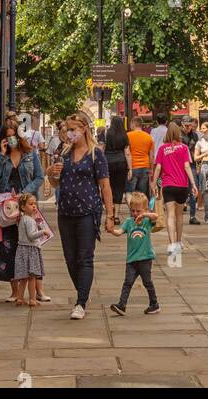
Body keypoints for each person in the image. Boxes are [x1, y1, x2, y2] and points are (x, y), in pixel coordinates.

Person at [48, 110, 119, 318]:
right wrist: (52, 175)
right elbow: (55, 183)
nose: (69, 134)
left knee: (85, 257)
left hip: (88, 211)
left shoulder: (96, 154)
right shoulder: (64, 153)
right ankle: (83, 291)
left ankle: (80, 302)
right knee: (70, 258)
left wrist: (110, 215)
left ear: (84, 129)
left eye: (72, 130)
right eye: (67, 130)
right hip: (66, 211)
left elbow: (105, 186)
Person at [0, 129, 44, 299]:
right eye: (7, 136)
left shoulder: (30, 154)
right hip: (5, 208)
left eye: (14, 135)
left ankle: (37, 290)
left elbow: (39, 177)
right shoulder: (2, 156)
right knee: (8, 247)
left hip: (24, 207)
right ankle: (15, 291)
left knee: (30, 244)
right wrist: (2, 156)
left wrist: (24, 195)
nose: (11, 139)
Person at [151, 120, 199, 266]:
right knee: (179, 215)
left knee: (170, 215)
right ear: (178, 133)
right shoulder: (183, 148)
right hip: (182, 185)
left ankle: (172, 244)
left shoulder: (162, 149)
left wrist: (153, 183)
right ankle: (178, 242)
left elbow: (158, 168)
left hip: (168, 185)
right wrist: (193, 184)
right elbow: (187, 166)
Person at [110, 192, 161, 317]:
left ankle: (154, 304)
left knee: (147, 282)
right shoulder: (128, 222)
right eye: (133, 211)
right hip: (131, 259)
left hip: (145, 258)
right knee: (128, 282)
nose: (135, 214)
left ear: (144, 210)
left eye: (138, 211)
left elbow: (156, 216)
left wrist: (144, 215)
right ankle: (122, 305)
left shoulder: (147, 221)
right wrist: (111, 230)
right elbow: (120, 232)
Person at [12, 192, 48, 306]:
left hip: (22, 250)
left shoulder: (23, 219)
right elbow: (32, 235)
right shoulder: (30, 220)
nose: (34, 206)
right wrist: (43, 232)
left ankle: (19, 298)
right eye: (31, 204)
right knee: (32, 277)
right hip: (30, 251)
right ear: (23, 207)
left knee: (23, 278)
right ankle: (32, 299)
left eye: (35, 204)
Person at [104, 115, 133, 229]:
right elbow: (127, 152)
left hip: (108, 162)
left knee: (108, 188)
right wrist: (130, 168)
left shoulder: (108, 134)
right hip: (121, 163)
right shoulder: (124, 135)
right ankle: (116, 216)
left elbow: (102, 148)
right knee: (119, 188)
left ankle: (109, 214)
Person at [193, 119, 208, 226]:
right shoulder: (199, 142)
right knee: (207, 192)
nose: (201, 130)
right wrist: (204, 154)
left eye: (203, 128)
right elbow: (195, 158)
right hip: (204, 166)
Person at [126, 116, 154, 198]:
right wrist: (151, 169)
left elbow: (127, 152)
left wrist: (129, 168)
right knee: (142, 193)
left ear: (133, 124)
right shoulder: (149, 137)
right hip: (145, 167)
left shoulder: (128, 135)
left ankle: (133, 210)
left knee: (130, 191)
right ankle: (141, 210)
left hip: (133, 166)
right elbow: (151, 155)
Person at [184, 119, 201, 223]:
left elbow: (196, 150)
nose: (188, 128)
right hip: (181, 164)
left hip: (192, 164)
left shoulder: (195, 136)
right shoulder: (179, 135)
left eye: (190, 126)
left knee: (193, 188)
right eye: (186, 125)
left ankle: (192, 216)